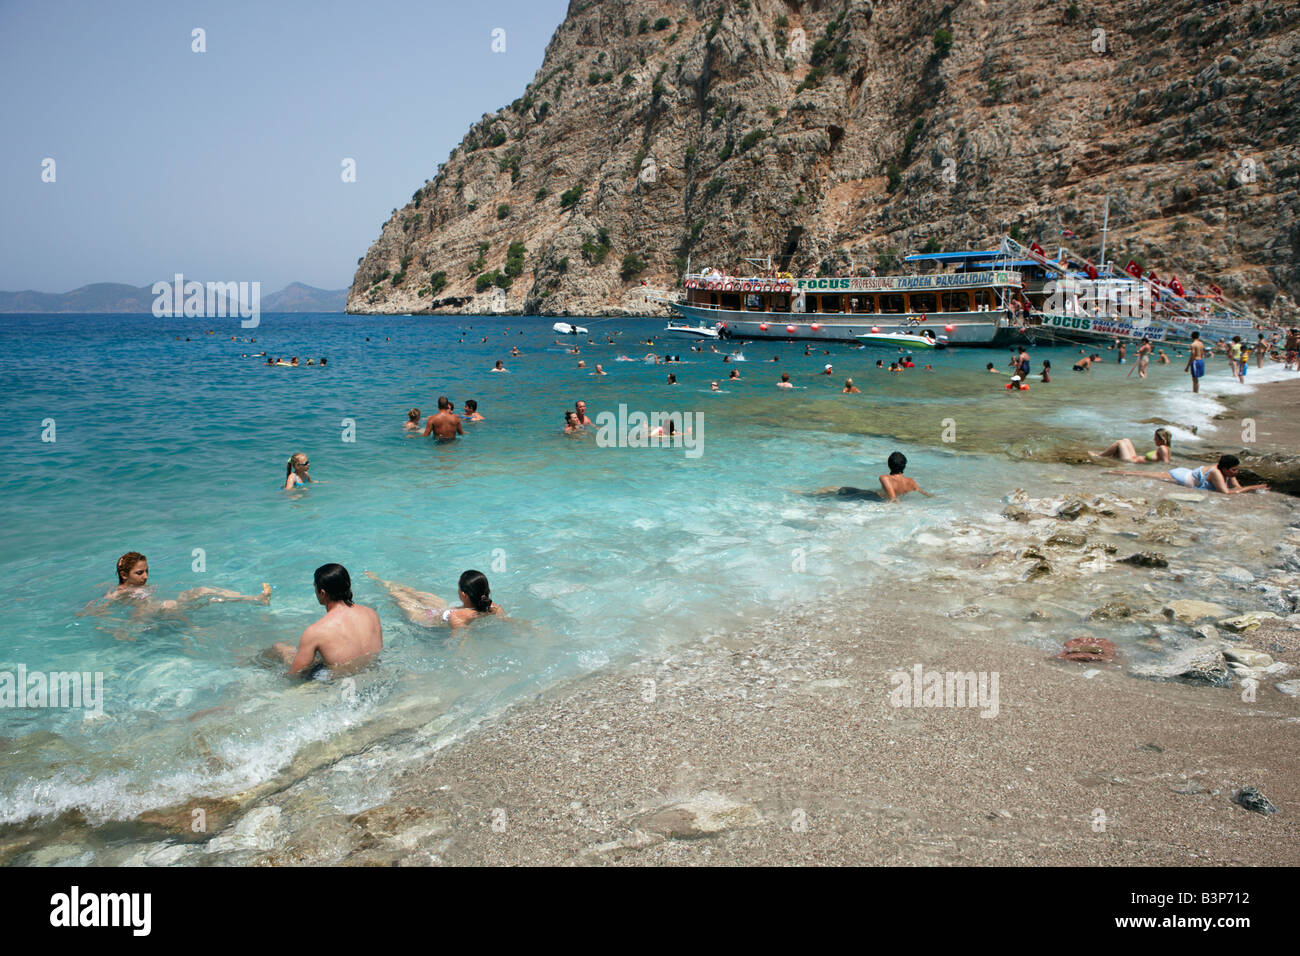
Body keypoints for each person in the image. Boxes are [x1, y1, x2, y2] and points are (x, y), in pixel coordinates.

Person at [271, 564, 382, 677]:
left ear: (322, 593)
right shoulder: (371, 614)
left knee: (280, 648)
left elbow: (295, 675)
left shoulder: (316, 631)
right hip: (372, 674)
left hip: (340, 682)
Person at [87, 552, 271, 615]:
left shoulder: (140, 587)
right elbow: (100, 605)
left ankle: (255, 598)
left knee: (204, 590)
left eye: (147, 571)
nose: (145, 577)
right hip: (158, 612)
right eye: (139, 573)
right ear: (123, 575)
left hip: (165, 606)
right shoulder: (120, 591)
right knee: (172, 604)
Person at [366, 569, 503, 632]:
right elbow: (509, 622)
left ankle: (378, 580)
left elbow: (461, 642)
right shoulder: (494, 608)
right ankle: (379, 580)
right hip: (442, 610)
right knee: (415, 593)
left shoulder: (457, 617)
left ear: (463, 594)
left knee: (397, 595)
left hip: (425, 619)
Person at [1110, 454, 1267, 494]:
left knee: (1151, 474)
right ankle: (1115, 472)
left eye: (1236, 469)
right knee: (1147, 475)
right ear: (1225, 468)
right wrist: (1252, 487)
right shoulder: (1217, 473)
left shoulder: (1228, 472)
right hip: (1184, 478)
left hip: (1190, 473)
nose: (1236, 472)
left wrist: (1252, 490)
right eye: (1234, 470)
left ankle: (1116, 471)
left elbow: (1237, 488)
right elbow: (1226, 493)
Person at [1091, 428, 1172, 464]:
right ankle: (1108, 455)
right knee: (1126, 440)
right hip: (1135, 458)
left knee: (1120, 443)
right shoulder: (1167, 448)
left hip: (1131, 461)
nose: (1154, 440)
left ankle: (1099, 456)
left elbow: (1165, 463)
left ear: (1162, 439)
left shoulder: (1162, 448)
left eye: (1155, 438)